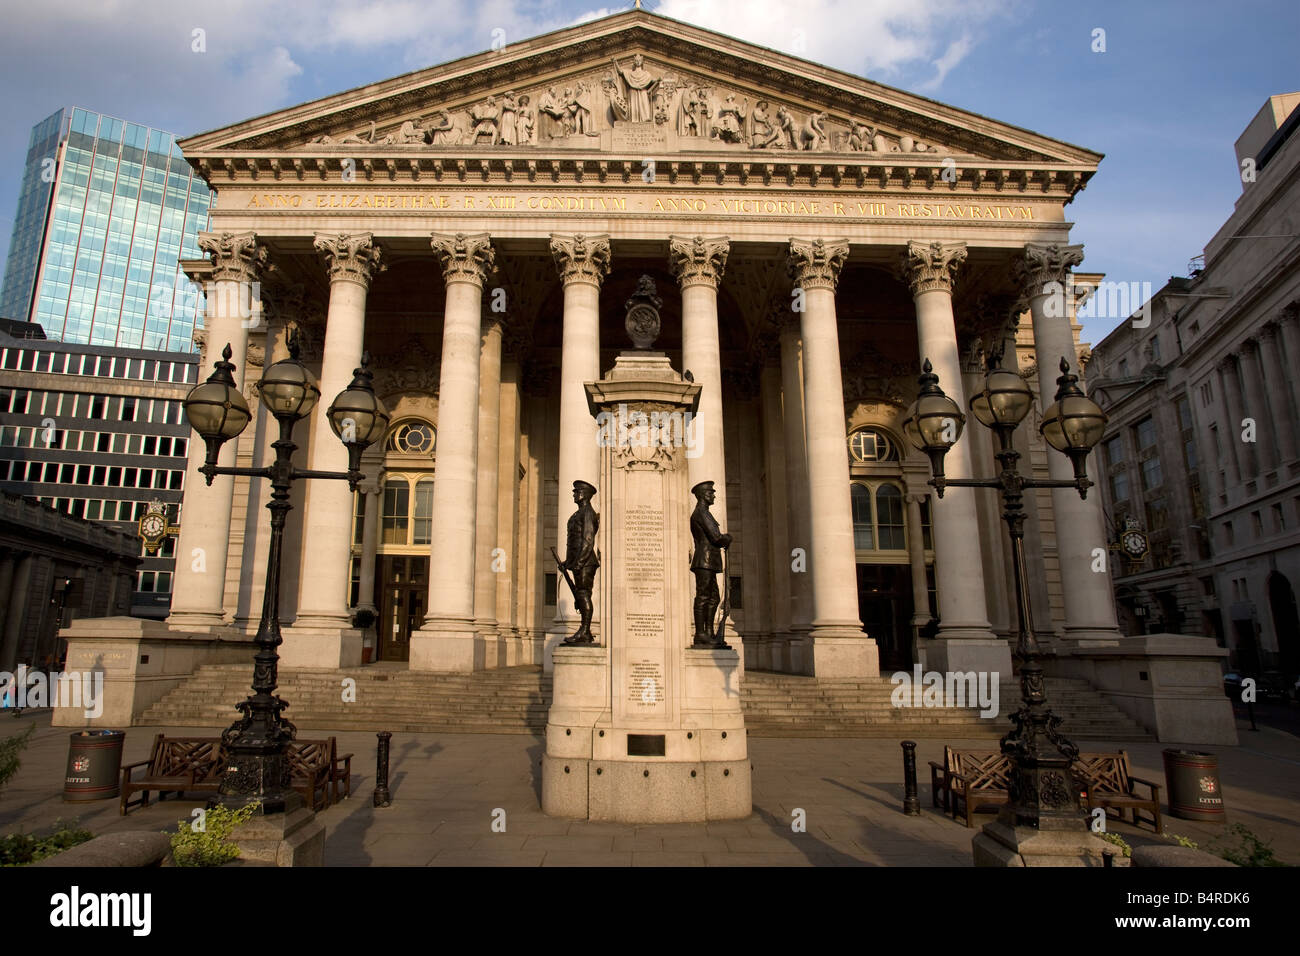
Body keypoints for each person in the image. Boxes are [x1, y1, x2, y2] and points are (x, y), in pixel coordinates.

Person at [690, 480, 732, 647]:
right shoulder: (701, 513)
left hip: (710, 561)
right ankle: (700, 633)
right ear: (703, 495)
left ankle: (709, 632)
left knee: (713, 597)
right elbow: (716, 537)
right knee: (704, 596)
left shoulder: (705, 513)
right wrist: (727, 538)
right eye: (711, 492)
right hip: (704, 560)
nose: (714, 495)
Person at [560, 480, 600, 644]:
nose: (574, 494)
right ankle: (585, 631)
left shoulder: (588, 513)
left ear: (585, 494)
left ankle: (584, 630)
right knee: (581, 594)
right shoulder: (579, 514)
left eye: (577, 492)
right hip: (579, 561)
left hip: (586, 562)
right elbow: (574, 541)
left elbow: (587, 541)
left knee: (583, 594)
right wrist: (567, 562)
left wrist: (578, 562)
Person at [612, 54, 659, 123]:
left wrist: (658, 80)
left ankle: (645, 119)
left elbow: (653, 80)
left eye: (639, 60)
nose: (638, 62)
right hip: (633, 92)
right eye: (636, 60)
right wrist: (615, 62)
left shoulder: (646, 74)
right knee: (634, 108)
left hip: (643, 91)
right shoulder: (630, 73)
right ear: (634, 61)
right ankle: (634, 120)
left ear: (642, 61)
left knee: (644, 105)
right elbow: (620, 72)